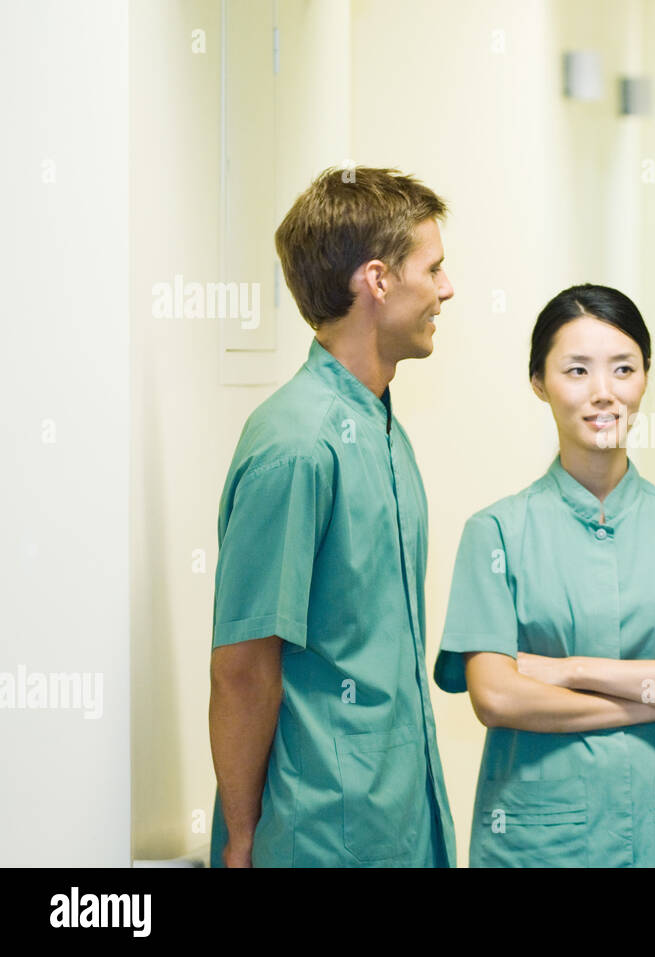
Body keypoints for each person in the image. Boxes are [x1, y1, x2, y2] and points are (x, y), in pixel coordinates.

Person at [434, 284, 655, 867]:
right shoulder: (497, 534)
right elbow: (496, 695)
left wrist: (569, 671)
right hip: (539, 843)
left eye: (623, 369)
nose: (603, 393)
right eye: (577, 370)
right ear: (538, 382)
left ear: (645, 378)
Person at [207, 166, 458, 867]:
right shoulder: (297, 446)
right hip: (316, 835)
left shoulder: (379, 426)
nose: (446, 289)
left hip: (400, 821)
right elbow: (243, 668)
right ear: (376, 281)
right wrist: (243, 837)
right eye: (433, 269)